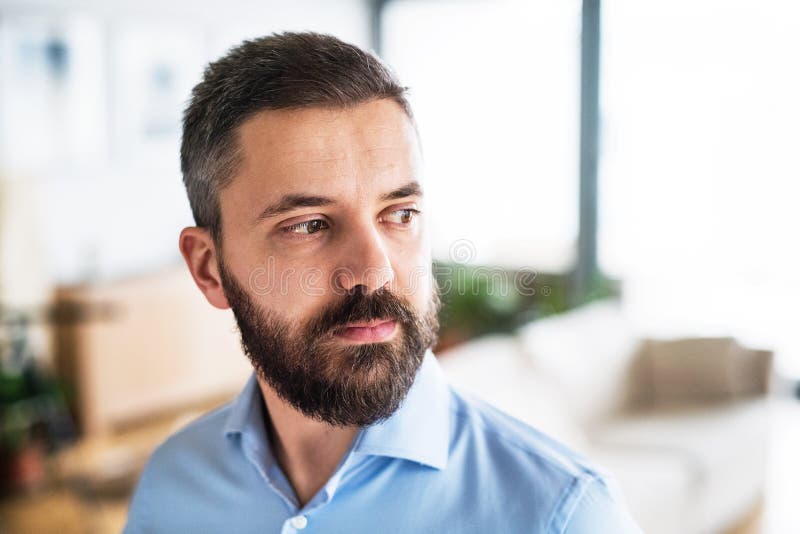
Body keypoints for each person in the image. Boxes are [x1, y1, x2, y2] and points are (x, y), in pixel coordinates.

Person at [123, 31, 642, 533]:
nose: (375, 270)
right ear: (209, 268)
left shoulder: (563, 516)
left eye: (400, 213)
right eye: (307, 225)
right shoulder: (172, 486)